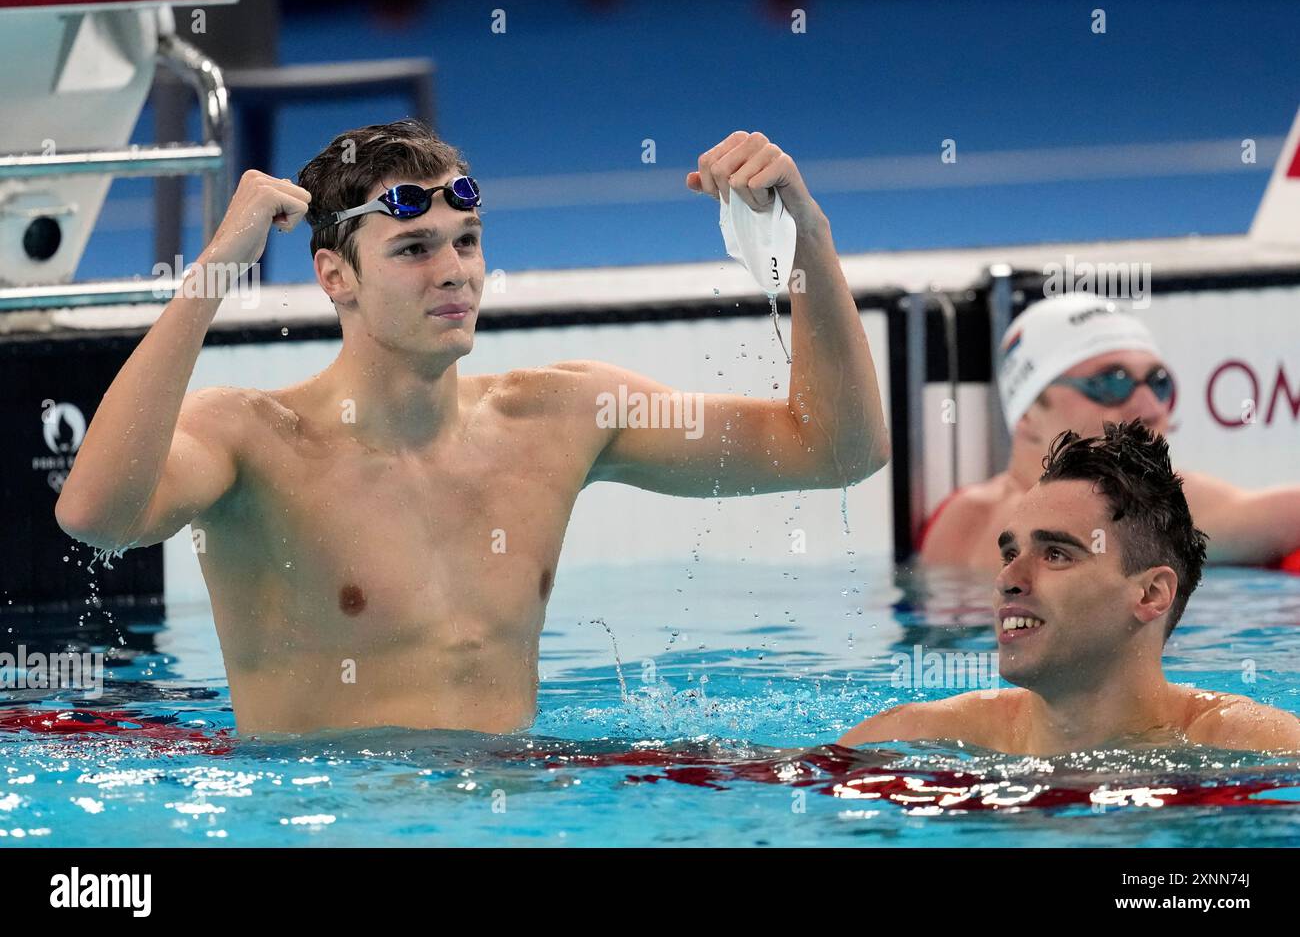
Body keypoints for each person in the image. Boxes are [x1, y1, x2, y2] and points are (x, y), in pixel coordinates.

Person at [54, 122, 890, 735]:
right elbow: (94, 514)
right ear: (335, 278)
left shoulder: (562, 416)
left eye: (466, 242)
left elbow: (835, 449)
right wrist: (212, 274)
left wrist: (806, 238)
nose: (454, 270)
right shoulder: (250, 439)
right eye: (413, 249)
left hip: (520, 814)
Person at [843, 420, 1300, 754]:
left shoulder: (1251, 748)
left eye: (1056, 554)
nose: (1008, 580)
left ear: (1151, 594)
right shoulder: (918, 740)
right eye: (1010, 554)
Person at [919, 293, 1300, 572]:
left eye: (1158, 382)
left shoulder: (955, 518)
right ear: (1028, 414)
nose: (1148, 406)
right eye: (1112, 383)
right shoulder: (1134, 503)